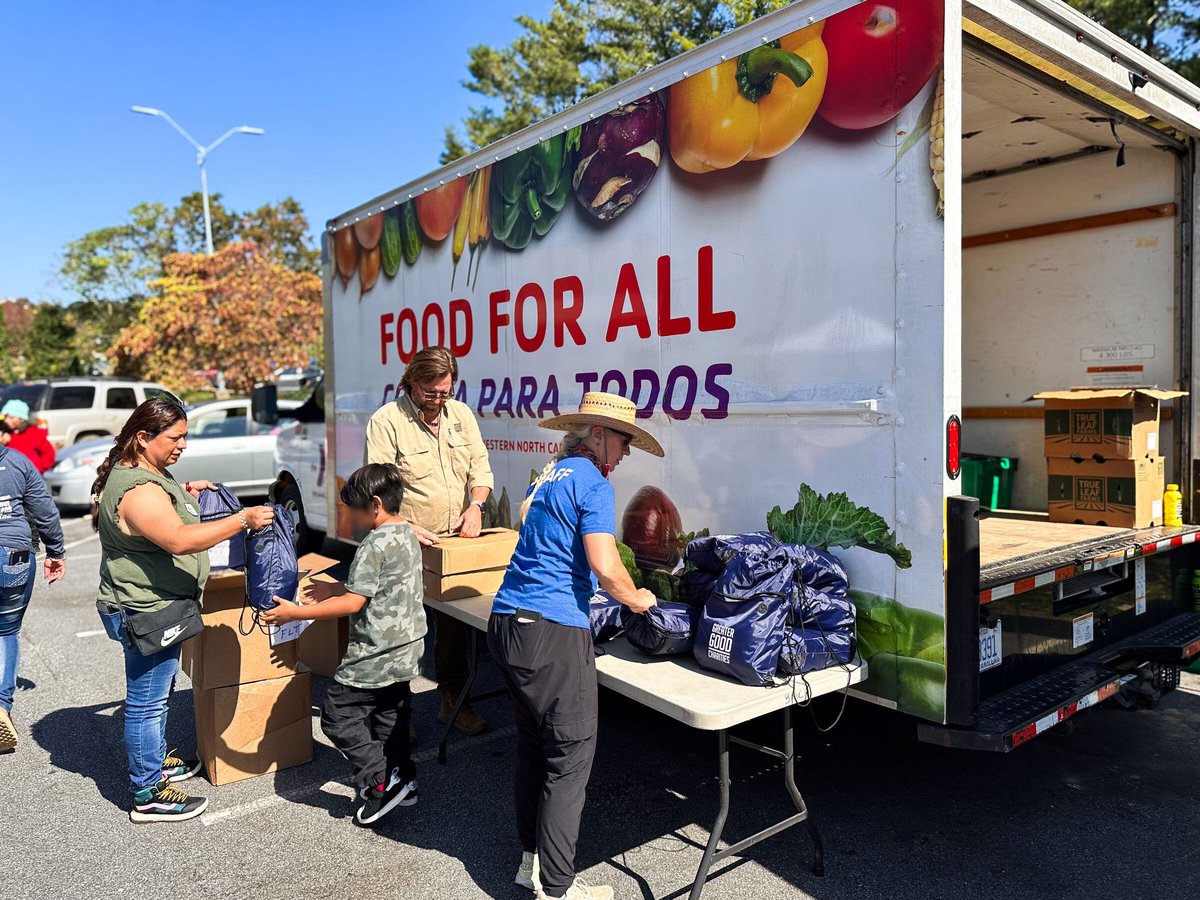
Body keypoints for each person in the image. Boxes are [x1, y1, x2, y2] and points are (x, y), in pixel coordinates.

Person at [490, 392, 661, 900]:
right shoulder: (592, 482)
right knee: (570, 757)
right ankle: (559, 889)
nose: (627, 453)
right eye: (625, 441)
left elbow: (528, 524)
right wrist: (639, 601)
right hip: (551, 631)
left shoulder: (553, 474)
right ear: (601, 434)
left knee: (533, 748)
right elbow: (607, 568)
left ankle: (531, 866)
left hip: (507, 622)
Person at [92, 397, 274, 823]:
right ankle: (148, 792)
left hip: (158, 605)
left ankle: (152, 760)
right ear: (143, 437)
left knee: (156, 694)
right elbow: (176, 539)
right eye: (175, 438)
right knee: (146, 703)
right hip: (146, 609)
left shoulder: (148, 473)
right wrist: (242, 520)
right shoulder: (136, 489)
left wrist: (186, 494)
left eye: (185, 436)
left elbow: (167, 516)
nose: (183, 445)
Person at [263, 463, 425, 826]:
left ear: (376, 504)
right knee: (390, 718)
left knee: (337, 716)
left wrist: (295, 613)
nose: (350, 516)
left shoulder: (372, 545)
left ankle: (380, 780)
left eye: (353, 508)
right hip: (406, 647)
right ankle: (406, 782)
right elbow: (378, 587)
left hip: (375, 653)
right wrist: (335, 589)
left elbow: (355, 603)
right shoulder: (407, 534)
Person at [366, 345, 494, 736]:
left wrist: (476, 505)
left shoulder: (461, 415)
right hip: (405, 543)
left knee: (455, 631)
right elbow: (376, 491)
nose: (438, 400)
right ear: (411, 382)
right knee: (401, 633)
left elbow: (480, 467)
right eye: (430, 392)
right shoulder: (386, 421)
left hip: (452, 543)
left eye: (445, 392)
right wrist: (403, 525)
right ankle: (395, 719)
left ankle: (453, 700)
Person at [0, 440, 66, 752]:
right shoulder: (17, 462)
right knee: (6, 631)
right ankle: (1, 706)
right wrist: (56, 551)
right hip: (12, 554)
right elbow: (44, 511)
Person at [0, 399, 55, 473]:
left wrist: (37, 470)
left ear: (21, 419)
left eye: (11, 418)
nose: (6, 420)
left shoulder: (34, 432)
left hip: (30, 477)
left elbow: (49, 454)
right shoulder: (5, 433)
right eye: (6, 417)